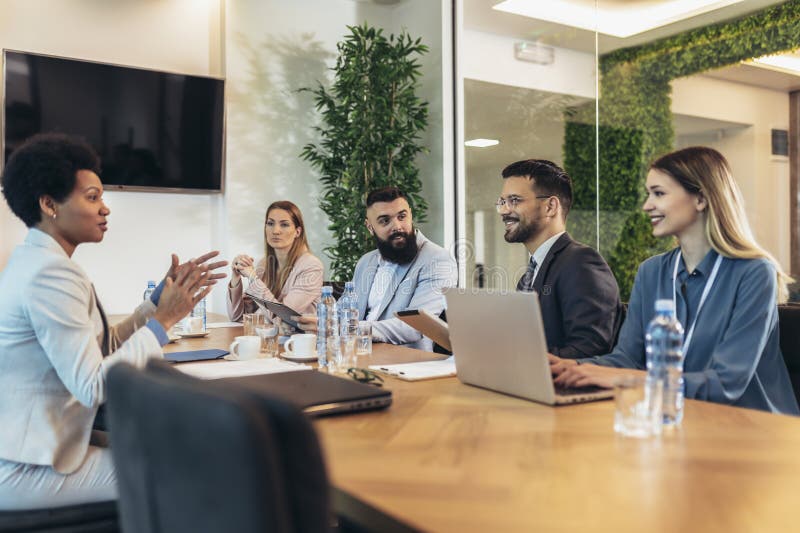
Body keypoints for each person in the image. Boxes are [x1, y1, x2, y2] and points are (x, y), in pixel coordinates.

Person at [0, 133, 228, 509]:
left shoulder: (39, 262)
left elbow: (98, 352)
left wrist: (153, 308)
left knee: (175, 445)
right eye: (92, 197)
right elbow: (92, 385)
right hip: (28, 464)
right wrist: (164, 320)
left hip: (44, 443)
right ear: (48, 204)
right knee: (187, 468)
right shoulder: (50, 274)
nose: (105, 208)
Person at [550, 146, 800, 415]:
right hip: (679, 417)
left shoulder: (753, 273)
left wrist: (628, 380)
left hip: (754, 429)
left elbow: (726, 384)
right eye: (649, 194)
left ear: (701, 199)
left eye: (658, 193)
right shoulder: (651, 272)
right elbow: (629, 359)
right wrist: (569, 367)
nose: (647, 205)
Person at [296, 187, 457, 351]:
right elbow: (343, 313)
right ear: (370, 226)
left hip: (404, 363)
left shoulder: (437, 260)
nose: (397, 226)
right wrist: (312, 321)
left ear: (410, 214)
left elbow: (414, 327)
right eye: (385, 221)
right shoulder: (365, 262)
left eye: (402, 216)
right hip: (356, 353)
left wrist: (346, 329)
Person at [498, 159, 622, 358]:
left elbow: (590, 349)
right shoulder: (530, 276)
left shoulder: (582, 263)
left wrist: (524, 361)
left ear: (550, 207)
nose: (504, 210)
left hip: (564, 387)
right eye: (502, 202)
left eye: (515, 200)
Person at [227, 200, 323, 322]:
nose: (275, 231)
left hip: (297, 340)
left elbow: (281, 318)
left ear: (297, 232)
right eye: (270, 223)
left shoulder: (311, 266)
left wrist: (252, 278)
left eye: (284, 225)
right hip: (270, 338)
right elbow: (238, 317)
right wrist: (236, 277)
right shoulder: (265, 264)